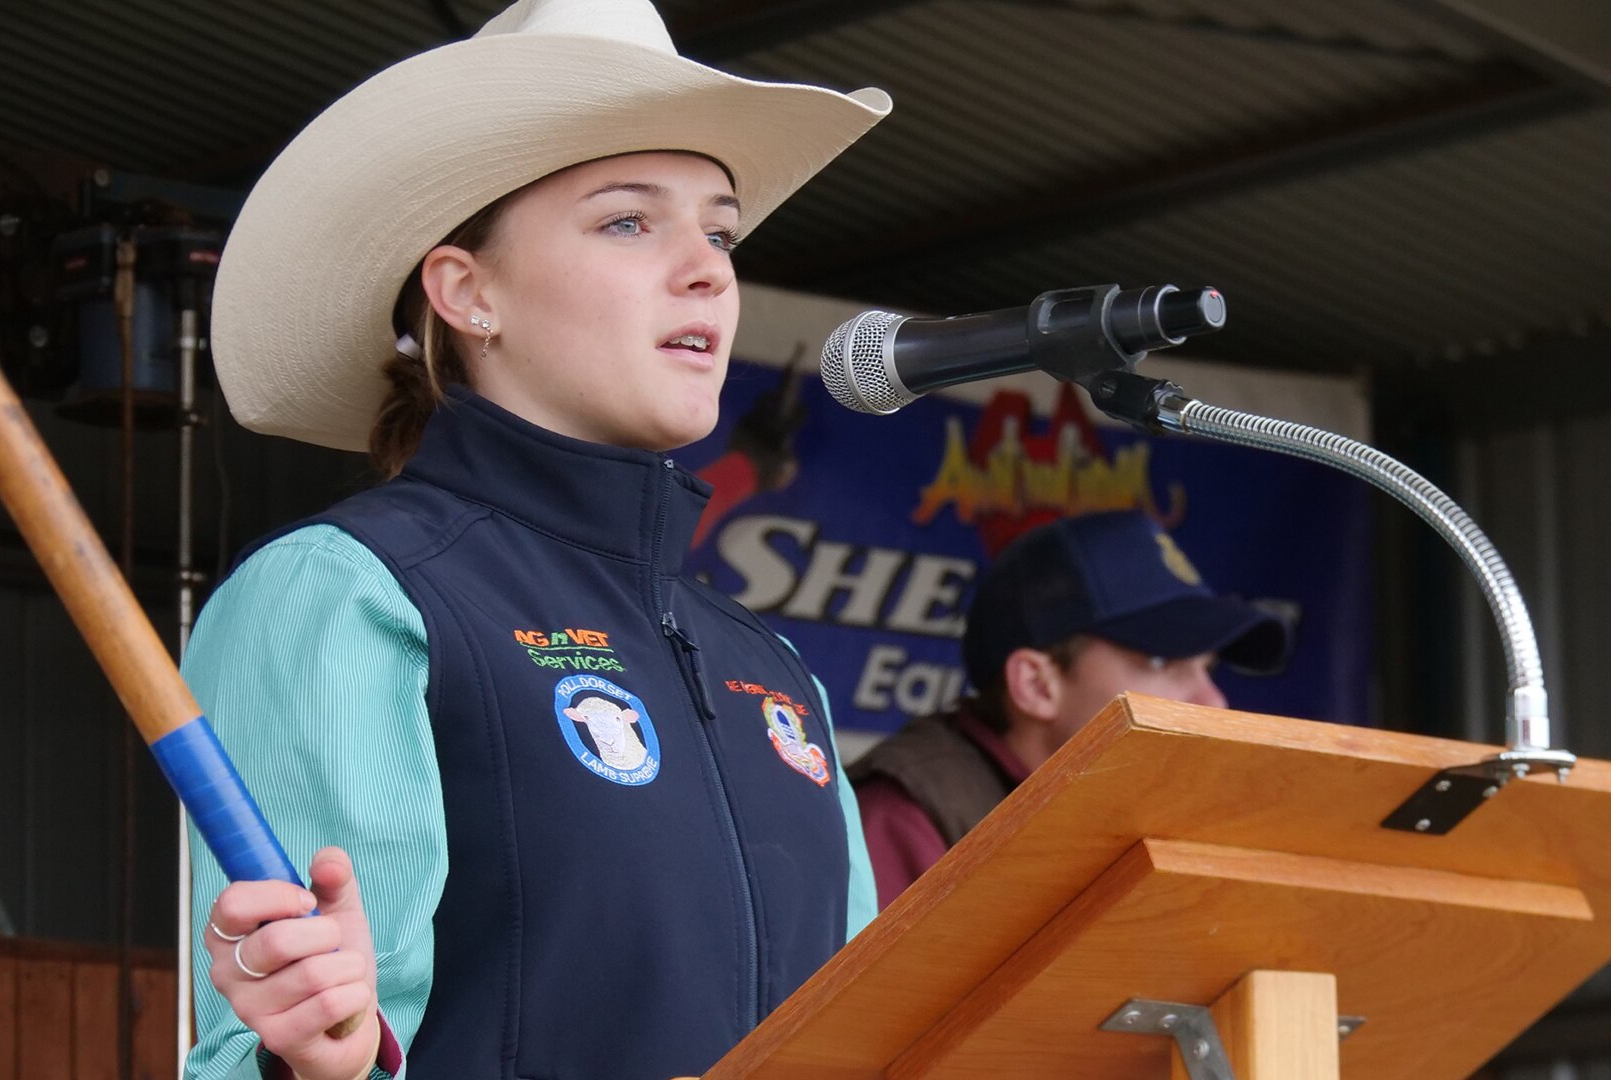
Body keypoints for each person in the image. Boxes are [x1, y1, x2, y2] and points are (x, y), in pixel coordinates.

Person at [181, 1, 893, 1077]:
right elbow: (284, 1050)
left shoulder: (775, 670)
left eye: (722, 231)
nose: (708, 270)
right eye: (628, 221)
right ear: (467, 293)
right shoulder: (352, 595)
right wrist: (310, 1063)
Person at [847, 510, 1290, 906]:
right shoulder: (904, 819)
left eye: (1207, 666)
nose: (1213, 700)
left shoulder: (1152, 805)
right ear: (1037, 685)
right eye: (1161, 661)